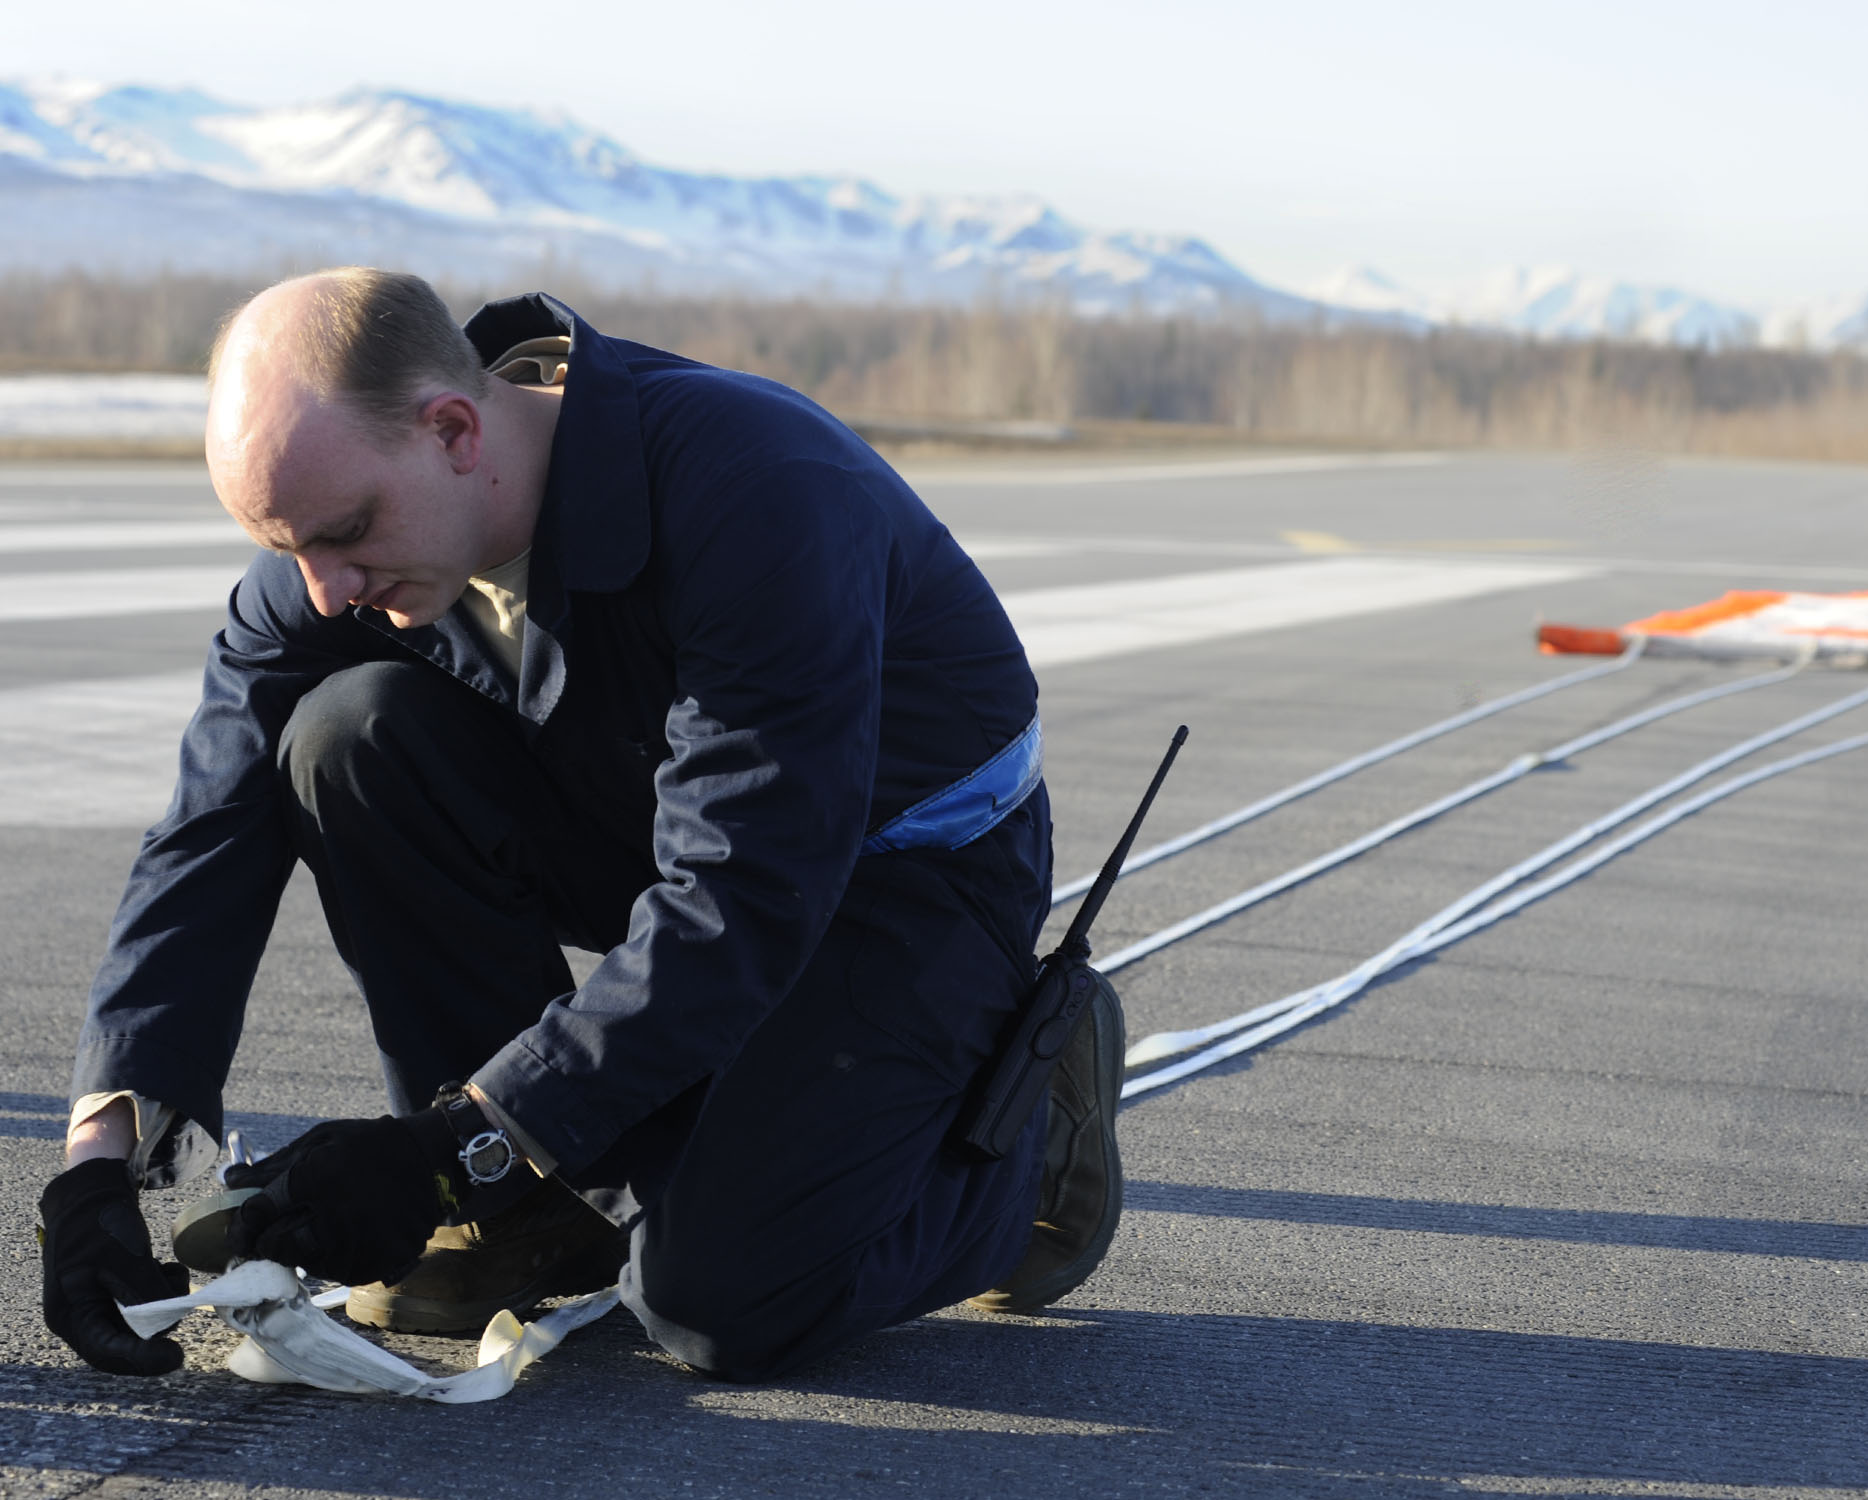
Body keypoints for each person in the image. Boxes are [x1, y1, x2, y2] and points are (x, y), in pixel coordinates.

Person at [36, 268, 1126, 1383]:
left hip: (899, 876)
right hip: (660, 821)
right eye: (290, 548)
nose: (320, 590)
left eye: (345, 534)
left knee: (721, 1301)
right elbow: (207, 832)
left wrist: (452, 1144)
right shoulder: (355, 542)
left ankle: (1018, 1149)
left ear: (455, 429)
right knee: (344, 734)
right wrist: (99, 1161)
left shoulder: (755, 490)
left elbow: (739, 898)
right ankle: (527, 1210)